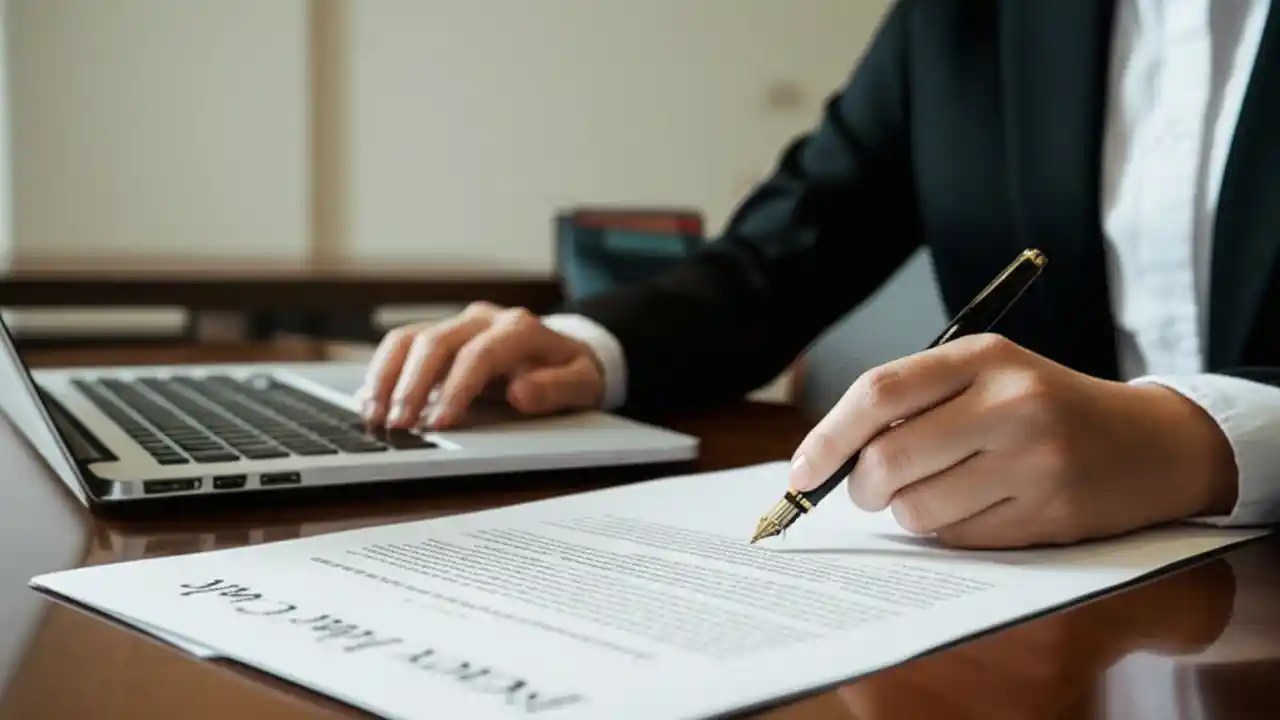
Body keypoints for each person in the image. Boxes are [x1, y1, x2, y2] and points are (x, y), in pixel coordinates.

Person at [359, 0, 1280, 547]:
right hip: (1042, 619)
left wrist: (1198, 442)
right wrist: (594, 344)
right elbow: (791, 243)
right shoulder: (965, 15)